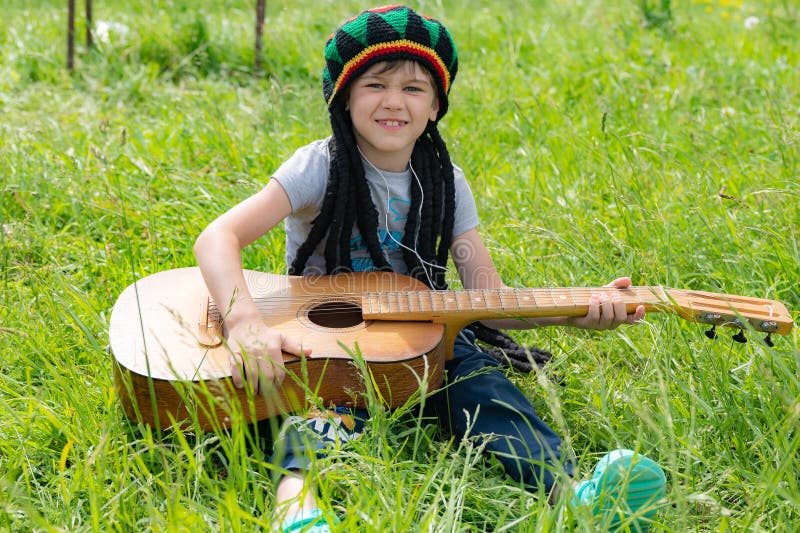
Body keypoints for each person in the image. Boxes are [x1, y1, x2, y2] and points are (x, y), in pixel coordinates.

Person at [194, 5, 667, 532]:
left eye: (414, 89)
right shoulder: (318, 167)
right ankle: (297, 512)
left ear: (437, 106)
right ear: (343, 96)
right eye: (375, 84)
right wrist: (243, 323)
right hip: (322, 343)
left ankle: (575, 495)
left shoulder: (446, 183)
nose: (394, 101)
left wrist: (574, 312)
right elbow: (218, 237)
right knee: (315, 421)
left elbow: (489, 300)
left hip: (423, 337)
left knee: (486, 388)